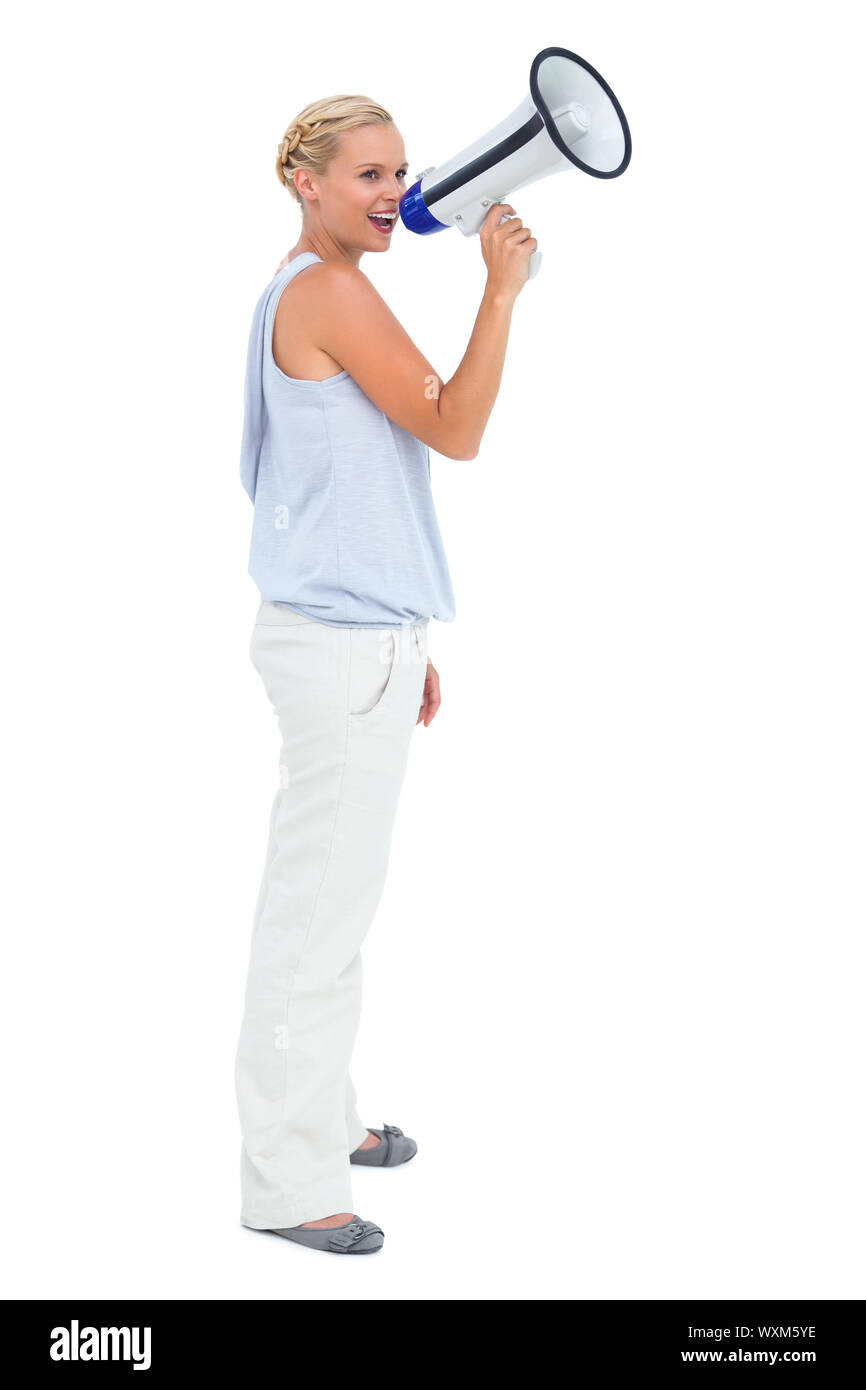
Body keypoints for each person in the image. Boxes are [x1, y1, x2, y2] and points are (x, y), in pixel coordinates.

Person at [235, 93, 537, 1255]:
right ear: (305, 182)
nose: (387, 194)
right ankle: (283, 1182)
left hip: (352, 635)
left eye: (398, 171)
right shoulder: (329, 293)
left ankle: (330, 1116)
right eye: (364, 174)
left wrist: (403, 629)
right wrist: (499, 290)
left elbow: (345, 485)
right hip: (340, 643)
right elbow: (454, 427)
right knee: (314, 917)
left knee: (335, 902)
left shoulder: (301, 284)